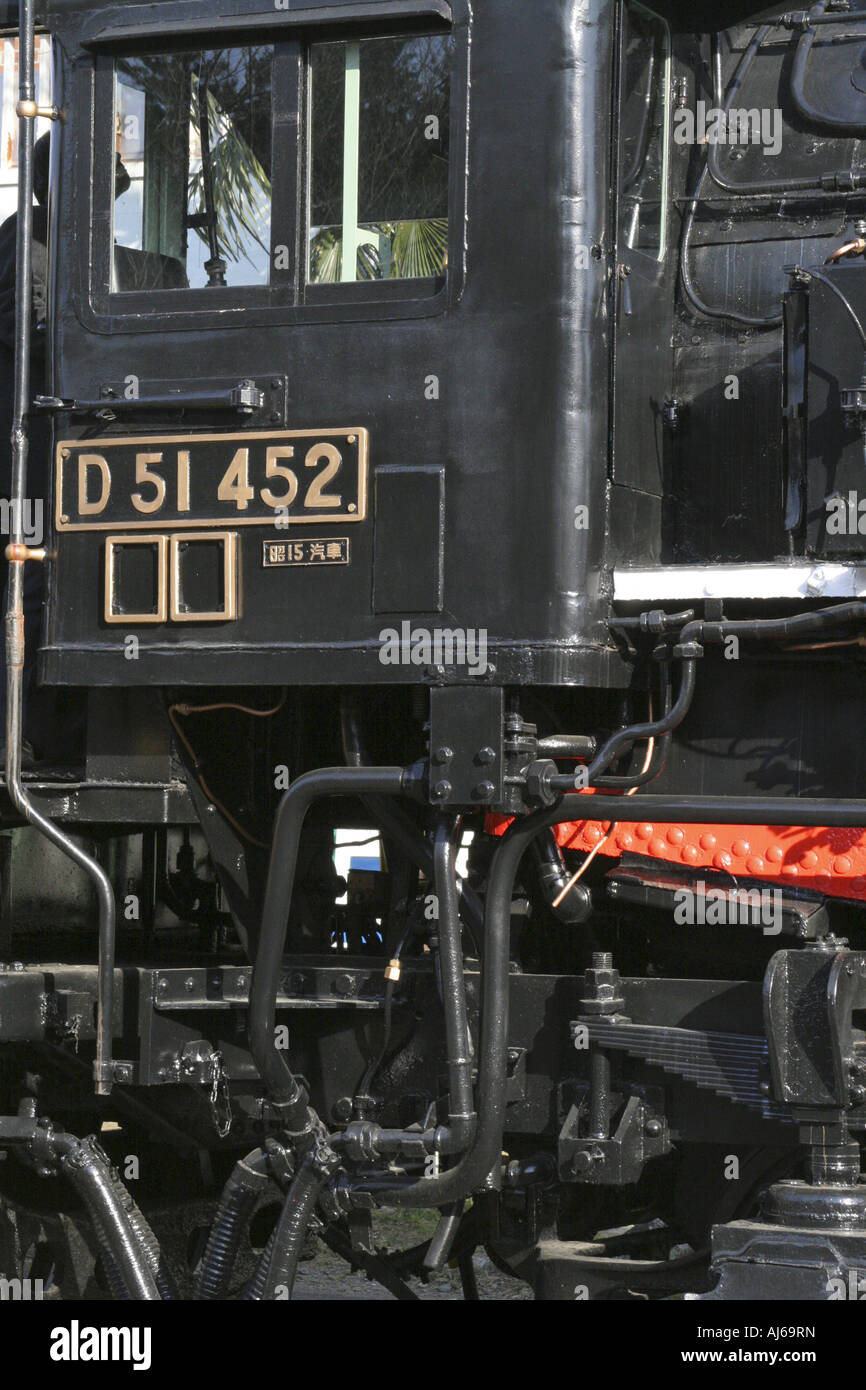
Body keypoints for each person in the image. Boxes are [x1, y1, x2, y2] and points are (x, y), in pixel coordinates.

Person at [0, 130, 52, 766]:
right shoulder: (30, 244)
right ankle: (21, 735)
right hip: (25, 443)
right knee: (26, 581)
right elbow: (33, 342)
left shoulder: (31, 235)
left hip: (29, 435)